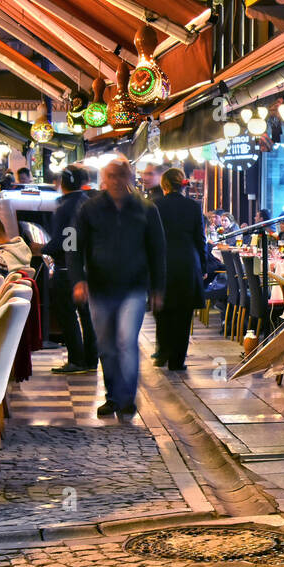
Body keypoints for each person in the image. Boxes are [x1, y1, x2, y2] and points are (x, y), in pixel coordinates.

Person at [71, 155, 166, 418]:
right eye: (110, 176)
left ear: (129, 178)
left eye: (120, 176)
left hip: (133, 288)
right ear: (104, 179)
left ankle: (126, 398)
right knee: (106, 345)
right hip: (99, 288)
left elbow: (158, 250)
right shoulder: (89, 209)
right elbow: (73, 246)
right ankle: (112, 396)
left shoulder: (146, 209)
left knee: (126, 341)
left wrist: (158, 288)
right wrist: (78, 279)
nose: (114, 181)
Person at [151, 168, 205, 372]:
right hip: (187, 263)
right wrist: (204, 265)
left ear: (164, 185)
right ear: (182, 185)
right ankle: (177, 361)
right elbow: (200, 239)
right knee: (184, 314)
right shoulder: (193, 206)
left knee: (162, 310)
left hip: (162, 262)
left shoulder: (155, 205)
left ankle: (162, 351)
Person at [45, 164, 98, 373]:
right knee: (87, 316)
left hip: (66, 269)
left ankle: (76, 359)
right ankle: (91, 359)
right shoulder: (88, 203)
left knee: (68, 315)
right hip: (88, 269)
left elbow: (65, 241)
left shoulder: (65, 206)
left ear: (62, 183)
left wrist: (43, 248)